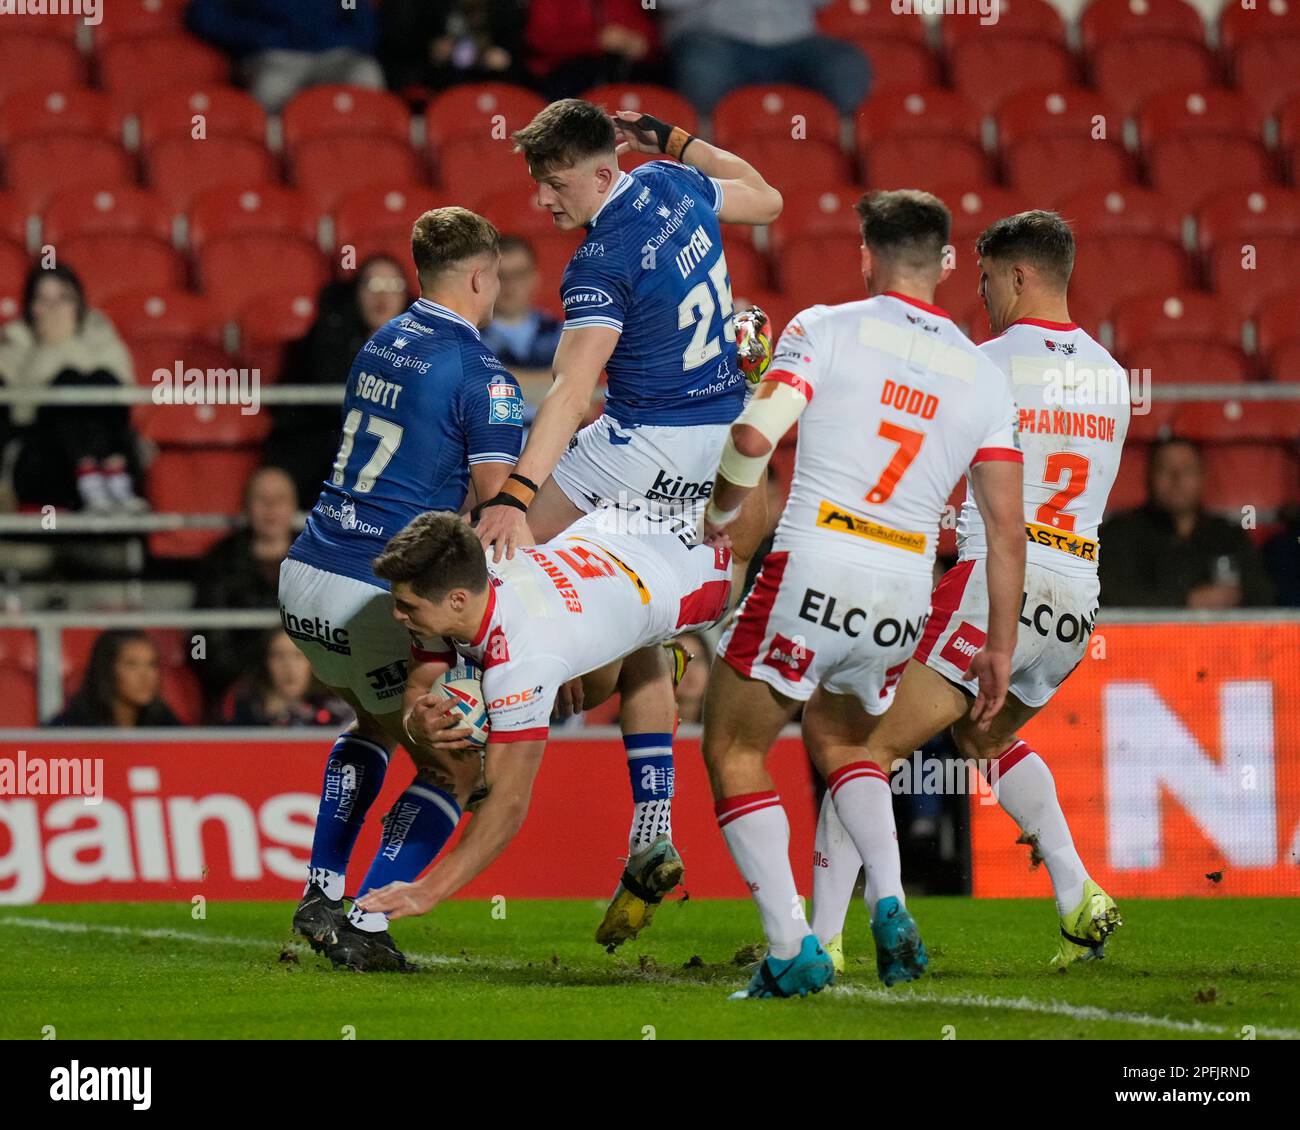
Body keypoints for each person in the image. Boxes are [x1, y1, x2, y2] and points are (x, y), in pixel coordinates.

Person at [698, 189, 1026, 999]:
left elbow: (751, 437)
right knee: (845, 743)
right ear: (949, 263)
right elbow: (1007, 526)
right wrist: (999, 648)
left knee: (735, 748)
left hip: (816, 559)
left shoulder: (822, 326)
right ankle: (888, 895)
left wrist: (720, 512)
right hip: (905, 587)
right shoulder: (983, 375)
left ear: (864, 253)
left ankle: (790, 949)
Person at [472, 98, 782, 947]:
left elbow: (571, 392)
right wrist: (678, 139)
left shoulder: (598, 261)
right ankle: (652, 827)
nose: (542, 200)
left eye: (556, 181)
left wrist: (517, 493)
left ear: (603, 170)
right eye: (536, 183)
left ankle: (486, 714)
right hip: (721, 449)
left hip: (640, 444)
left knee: (498, 559)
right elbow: (767, 198)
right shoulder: (676, 186)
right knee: (643, 615)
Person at [815, 211, 1132, 976]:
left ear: (1020, 275)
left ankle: (817, 944)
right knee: (984, 739)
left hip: (1000, 582)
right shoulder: (1114, 378)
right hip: (1078, 593)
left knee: (858, 747)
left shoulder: (982, 363)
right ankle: (1078, 895)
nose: (980, 293)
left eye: (987, 278)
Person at [277, 207, 524, 961]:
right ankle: (367, 921)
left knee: (377, 728)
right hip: (376, 593)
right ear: (481, 277)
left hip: (304, 576)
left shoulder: (381, 341)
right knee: (457, 770)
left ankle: (323, 891)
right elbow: (499, 517)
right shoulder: (484, 376)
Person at [349, 504, 740, 965]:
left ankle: (653, 820)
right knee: (596, 669)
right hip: (607, 529)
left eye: (407, 605)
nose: (396, 614)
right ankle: (628, 662)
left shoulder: (521, 663)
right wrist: (417, 719)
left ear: (457, 599)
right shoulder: (471, 566)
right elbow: (420, 683)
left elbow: (508, 805)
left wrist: (428, 890)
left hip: (693, 575)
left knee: (597, 681)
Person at [266, 255, 413, 509]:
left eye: (393, 286)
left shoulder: (427, 344)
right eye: (373, 285)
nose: (383, 297)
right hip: (329, 449)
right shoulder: (327, 337)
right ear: (356, 293)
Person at [0, 264, 145, 514]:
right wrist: (50, 348)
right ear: (30, 307)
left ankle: (106, 477)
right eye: (44, 300)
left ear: (78, 304)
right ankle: (92, 479)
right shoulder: (15, 342)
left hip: (110, 449)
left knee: (100, 378)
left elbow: (123, 395)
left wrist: (69, 346)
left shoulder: (102, 336)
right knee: (66, 379)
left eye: (63, 299)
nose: (54, 309)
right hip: (46, 459)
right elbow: (20, 413)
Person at [1099, 437, 1273, 608]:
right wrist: (1186, 602)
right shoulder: (1121, 533)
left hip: (1219, 636)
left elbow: (1263, 595)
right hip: (1141, 636)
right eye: (1165, 469)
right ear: (1150, 477)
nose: (1177, 478)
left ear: (1203, 477)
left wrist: (1235, 598)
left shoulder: (1228, 535)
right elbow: (1107, 595)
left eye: (1187, 470)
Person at [191, 466, 302, 710]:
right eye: (262, 499)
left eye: (280, 499)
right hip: (239, 687)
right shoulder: (219, 560)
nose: (271, 508)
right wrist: (225, 677)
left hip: (307, 684)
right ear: (246, 506)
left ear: (294, 506)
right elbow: (199, 639)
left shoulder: (317, 559)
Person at [658, 0, 871, 114]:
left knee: (846, 67)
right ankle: (702, 164)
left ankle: (839, 162)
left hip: (796, 39)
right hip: (717, 39)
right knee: (701, 70)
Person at [186, 0, 385, 113]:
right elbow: (205, 14)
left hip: (332, 54)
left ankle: (364, 158)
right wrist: (256, 37)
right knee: (270, 90)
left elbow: (354, 8)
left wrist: (347, 39)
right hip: (275, 58)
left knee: (365, 75)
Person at [524, 0, 659, 100]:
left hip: (622, 70)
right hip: (565, 73)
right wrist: (596, 41)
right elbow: (541, 40)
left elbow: (647, 32)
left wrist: (640, 42)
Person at [379, 0, 524, 93]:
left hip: (495, 83)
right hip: (438, 83)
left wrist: (507, 56)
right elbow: (398, 44)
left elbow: (516, 47)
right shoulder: (428, 6)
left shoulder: (504, 7)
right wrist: (430, 50)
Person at [48, 630, 181, 728]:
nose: (146, 676)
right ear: (107, 670)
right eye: (132, 665)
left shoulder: (165, 724)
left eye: (152, 664)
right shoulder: (72, 726)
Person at [224, 630, 352, 727]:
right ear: (265, 663)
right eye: (278, 656)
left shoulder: (338, 713)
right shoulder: (245, 712)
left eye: (298, 656)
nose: (289, 667)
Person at [479, 236, 563, 381]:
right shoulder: (469, 335)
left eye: (519, 274)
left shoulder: (560, 333)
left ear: (535, 278)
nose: (510, 284)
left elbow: (583, 391)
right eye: (501, 275)